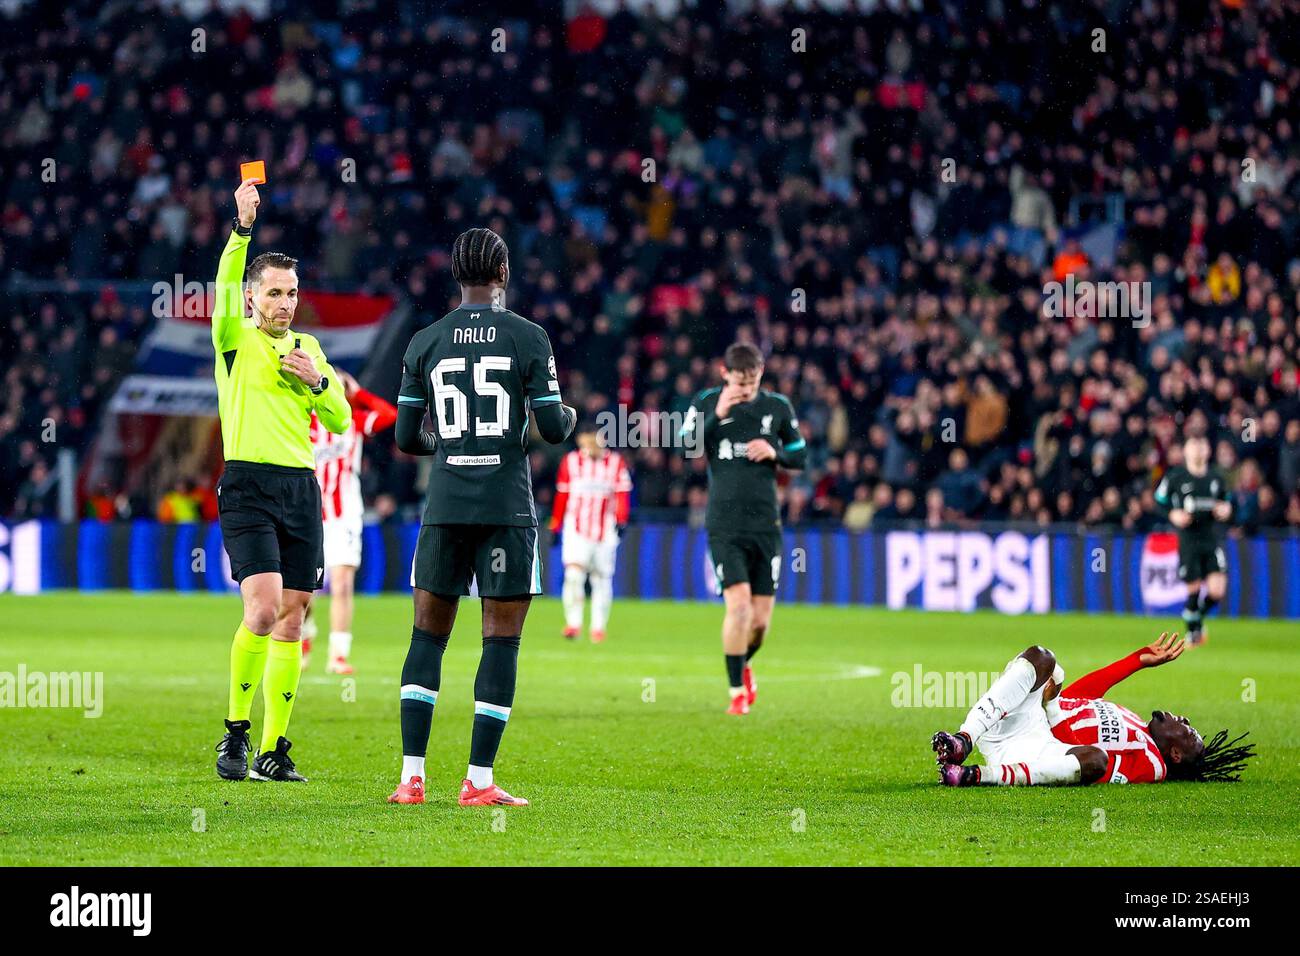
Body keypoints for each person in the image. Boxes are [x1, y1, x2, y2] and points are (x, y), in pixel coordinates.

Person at [387, 227, 576, 807]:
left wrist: (449, 439)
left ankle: (411, 778)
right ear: (503, 272)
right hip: (504, 508)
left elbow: (405, 439)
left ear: (456, 274)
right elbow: (551, 428)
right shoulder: (528, 337)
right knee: (500, 643)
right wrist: (562, 415)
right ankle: (479, 781)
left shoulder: (425, 340)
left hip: (445, 506)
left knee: (426, 638)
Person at [212, 177, 351, 783]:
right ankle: (235, 734)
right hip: (246, 484)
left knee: (294, 616)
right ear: (251, 298)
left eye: (292, 294)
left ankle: (274, 749)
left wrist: (317, 384)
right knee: (264, 610)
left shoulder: (310, 349)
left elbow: (342, 417)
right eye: (273, 294)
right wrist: (242, 229)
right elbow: (220, 291)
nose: (284, 304)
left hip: (300, 488)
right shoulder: (234, 340)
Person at [932, 632, 1254, 785]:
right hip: (1026, 721)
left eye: (1189, 730)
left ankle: (980, 776)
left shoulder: (1151, 764)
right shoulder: (1134, 721)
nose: (1183, 719)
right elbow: (1082, 695)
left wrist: (1054, 706)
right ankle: (964, 739)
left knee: (1095, 760)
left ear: (1176, 754)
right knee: (1044, 658)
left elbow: (1093, 766)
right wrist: (1138, 661)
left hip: (1036, 753)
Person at [680, 342, 806, 715]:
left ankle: (744, 663)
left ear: (761, 374)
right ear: (725, 374)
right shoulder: (706, 401)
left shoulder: (777, 407)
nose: (746, 389)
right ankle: (736, 692)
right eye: (740, 381)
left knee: (761, 623)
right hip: (724, 525)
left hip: (766, 525)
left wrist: (776, 454)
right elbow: (685, 447)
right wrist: (716, 415)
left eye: (752, 382)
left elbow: (800, 455)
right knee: (738, 609)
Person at [301, 369, 397, 674]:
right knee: (305, 588)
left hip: (345, 515)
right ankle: (305, 637)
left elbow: (390, 415)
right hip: (310, 513)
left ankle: (337, 655)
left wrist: (361, 394)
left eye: (343, 390)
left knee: (342, 584)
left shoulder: (353, 422)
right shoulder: (306, 424)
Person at [550, 422, 632, 643]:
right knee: (574, 576)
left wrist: (621, 520)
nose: (589, 446)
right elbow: (562, 495)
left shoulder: (615, 463)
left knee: (601, 579)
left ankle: (598, 627)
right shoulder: (571, 462)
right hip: (575, 528)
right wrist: (555, 524)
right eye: (585, 441)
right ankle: (573, 624)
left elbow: (622, 493)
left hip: (604, 529)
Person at [1155, 434, 1233, 645]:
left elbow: (1227, 502)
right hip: (1188, 539)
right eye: (1194, 445)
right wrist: (1173, 514)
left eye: (1202, 445)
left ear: (1208, 450)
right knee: (1194, 588)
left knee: (1217, 591)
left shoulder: (1216, 478)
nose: (1198, 449)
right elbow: (1159, 500)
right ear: (1186, 451)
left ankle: (1194, 616)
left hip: (1211, 537)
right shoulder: (1175, 476)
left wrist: (1226, 510)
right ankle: (1193, 634)